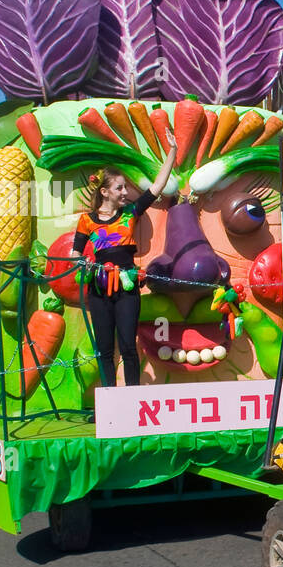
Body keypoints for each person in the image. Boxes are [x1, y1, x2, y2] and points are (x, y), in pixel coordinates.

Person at [70, 142, 178, 387]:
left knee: (129, 346)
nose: (125, 192)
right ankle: (110, 401)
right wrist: (82, 263)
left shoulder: (131, 213)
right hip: (99, 288)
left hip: (127, 287)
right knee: (105, 349)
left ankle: (132, 399)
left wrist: (172, 150)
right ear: (105, 192)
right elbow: (76, 252)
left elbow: (157, 187)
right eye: (119, 188)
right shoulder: (87, 220)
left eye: (125, 187)